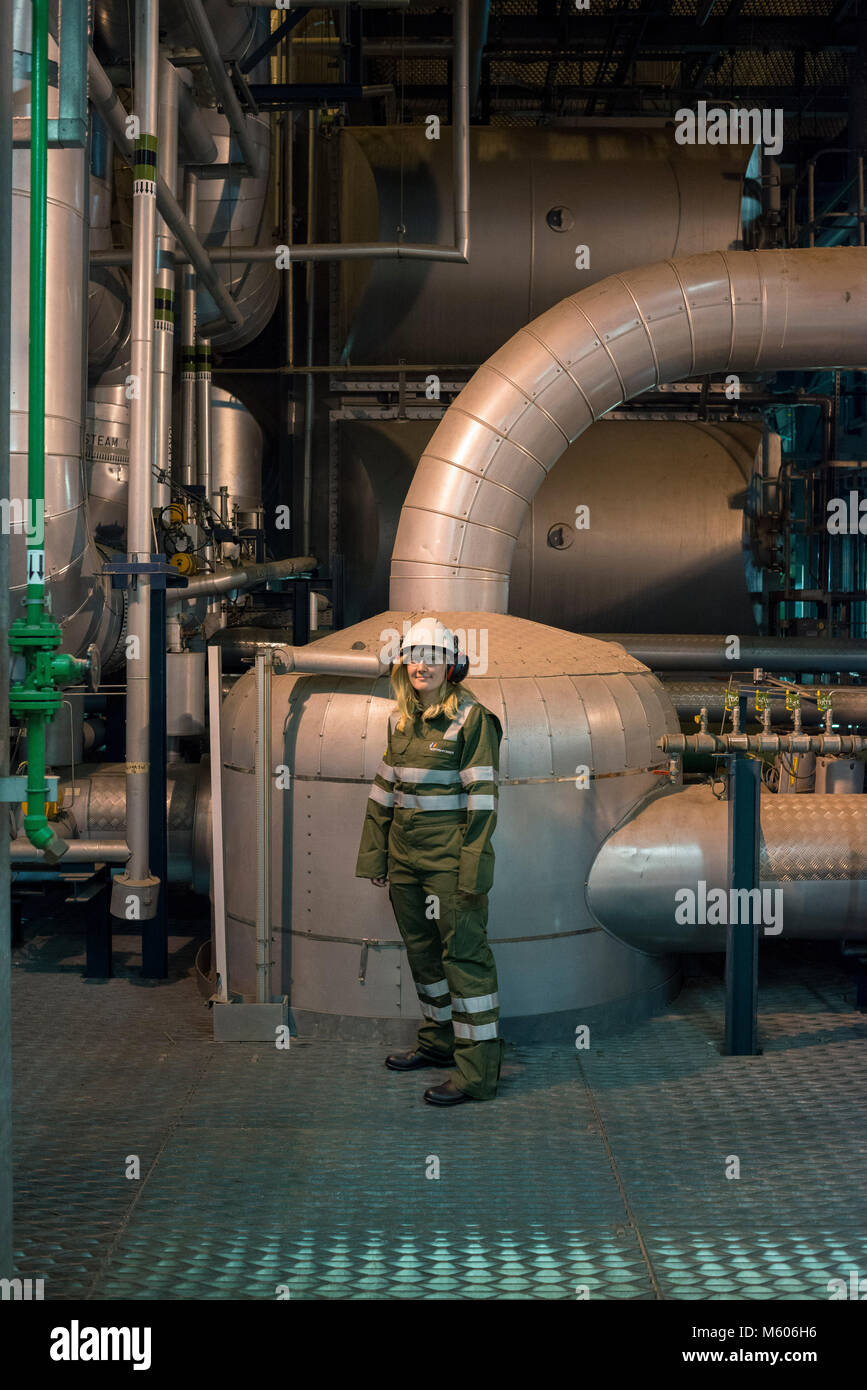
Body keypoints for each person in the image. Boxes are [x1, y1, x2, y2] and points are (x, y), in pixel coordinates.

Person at [355, 618, 505, 1106]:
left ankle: (477, 1075)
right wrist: (376, 855)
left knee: (464, 961)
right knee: (423, 957)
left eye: (434, 656)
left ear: (452, 665)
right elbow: (382, 794)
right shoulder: (401, 720)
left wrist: (472, 870)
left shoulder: (471, 718)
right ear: (404, 664)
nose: (423, 664)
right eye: (415, 655)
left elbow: (483, 801)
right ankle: (438, 1045)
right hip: (405, 862)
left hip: (448, 865)